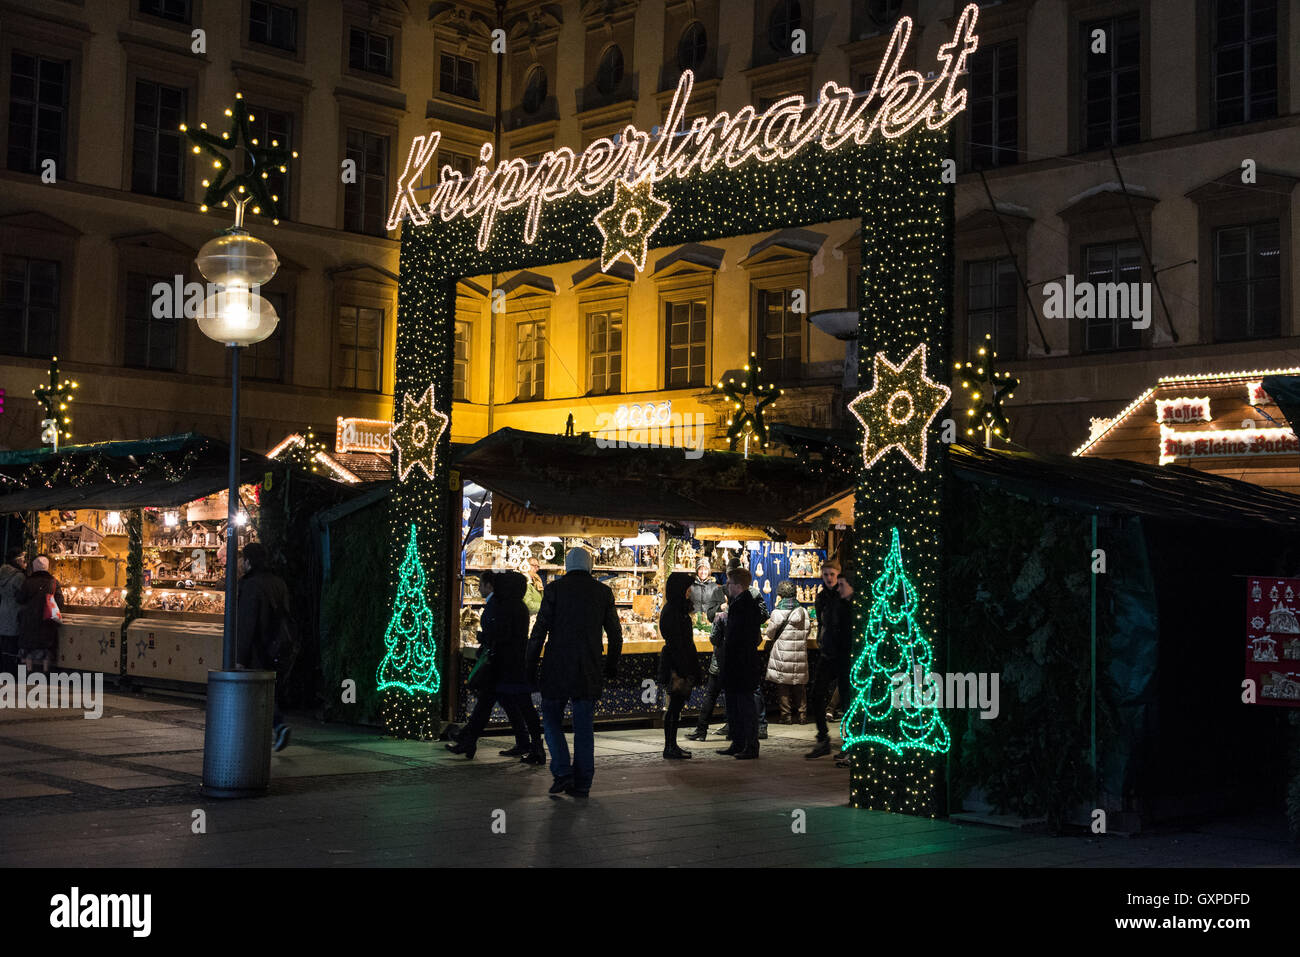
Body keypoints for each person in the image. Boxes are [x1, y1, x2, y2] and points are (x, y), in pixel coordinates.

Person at [526, 547, 622, 798]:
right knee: (583, 727)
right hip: (588, 667)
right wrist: (611, 666)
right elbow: (615, 634)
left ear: (567, 566)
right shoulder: (603, 592)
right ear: (590, 566)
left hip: (557, 666)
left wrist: (530, 664)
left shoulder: (555, 590)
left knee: (551, 721)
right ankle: (583, 783)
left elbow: (539, 631)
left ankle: (561, 771)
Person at [449, 570, 545, 763]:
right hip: (513, 665)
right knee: (515, 705)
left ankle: (469, 740)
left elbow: (500, 635)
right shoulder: (519, 607)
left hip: (503, 665)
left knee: (502, 704)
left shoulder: (505, 607)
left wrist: (483, 638)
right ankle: (530, 744)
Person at [235, 542, 293, 752]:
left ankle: (274, 727)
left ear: (249, 561)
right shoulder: (278, 582)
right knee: (271, 689)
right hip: (279, 645)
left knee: (254, 692)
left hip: (259, 647)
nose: (241, 563)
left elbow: (247, 623)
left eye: (243, 559)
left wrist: (240, 657)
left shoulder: (251, 585)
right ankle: (275, 727)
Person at [716, 567, 762, 759]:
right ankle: (738, 742)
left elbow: (741, 636)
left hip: (741, 663)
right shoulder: (740, 603)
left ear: (737, 585)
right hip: (738, 662)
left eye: (728, 583)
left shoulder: (744, 605)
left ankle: (749, 745)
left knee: (744, 705)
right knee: (734, 704)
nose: (726, 586)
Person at [807, 569, 853, 759]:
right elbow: (824, 623)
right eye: (825, 574)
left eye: (833, 575)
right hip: (829, 654)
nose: (829, 579)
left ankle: (849, 743)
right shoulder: (825, 599)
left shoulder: (845, 602)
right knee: (817, 694)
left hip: (843, 655)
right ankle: (823, 738)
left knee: (847, 698)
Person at [658, 571, 701, 759]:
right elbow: (677, 642)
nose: (690, 591)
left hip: (680, 663)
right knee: (674, 707)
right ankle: (670, 746)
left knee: (676, 707)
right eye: (687, 588)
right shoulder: (673, 612)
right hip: (677, 666)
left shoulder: (677, 610)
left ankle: (672, 745)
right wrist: (684, 668)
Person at [764, 580, 810, 723]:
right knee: (799, 685)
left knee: (783, 685)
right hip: (799, 654)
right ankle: (802, 715)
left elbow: (770, 634)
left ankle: (786, 716)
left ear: (780, 595)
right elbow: (807, 631)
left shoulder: (777, 612)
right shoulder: (803, 611)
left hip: (782, 655)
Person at [18, 555, 62, 677]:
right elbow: (59, 600)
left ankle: (29, 671)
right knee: (46, 646)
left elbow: (21, 599)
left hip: (29, 619)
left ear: (34, 567)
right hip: (46, 619)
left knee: (28, 646)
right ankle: (45, 671)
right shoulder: (53, 582)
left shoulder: (28, 581)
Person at [0, 548, 27, 676]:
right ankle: (12, 673)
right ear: (17, 560)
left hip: (3, 610)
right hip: (15, 612)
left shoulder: (2, 573)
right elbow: (24, 595)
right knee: (14, 645)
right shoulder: (19, 576)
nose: (25, 562)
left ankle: (4, 670)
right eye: (23, 560)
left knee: (5, 643)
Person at [689, 558, 724, 627]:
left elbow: (721, 606)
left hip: (710, 623)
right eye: (700, 569)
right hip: (692, 623)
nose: (703, 572)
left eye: (705, 569)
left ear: (709, 571)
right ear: (697, 571)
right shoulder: (690, 586)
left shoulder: (715, 587)